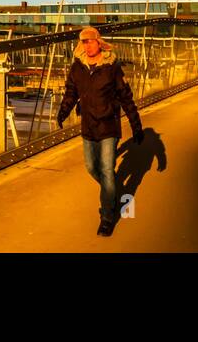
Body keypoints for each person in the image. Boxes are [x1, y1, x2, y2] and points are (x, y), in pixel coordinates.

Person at [56, 26, 143, 237]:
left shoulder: (111, 67)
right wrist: (62, 112)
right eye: (84, 42)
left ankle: (107, 216)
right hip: (88, 126)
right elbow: (71, 92)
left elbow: (125, 96)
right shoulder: (78, 67)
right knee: (91, 167)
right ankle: (111, 192)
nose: (88, 45)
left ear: (99, 43)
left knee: (106, 169)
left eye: (91, 41)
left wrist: (136, 125)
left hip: (108, 126)